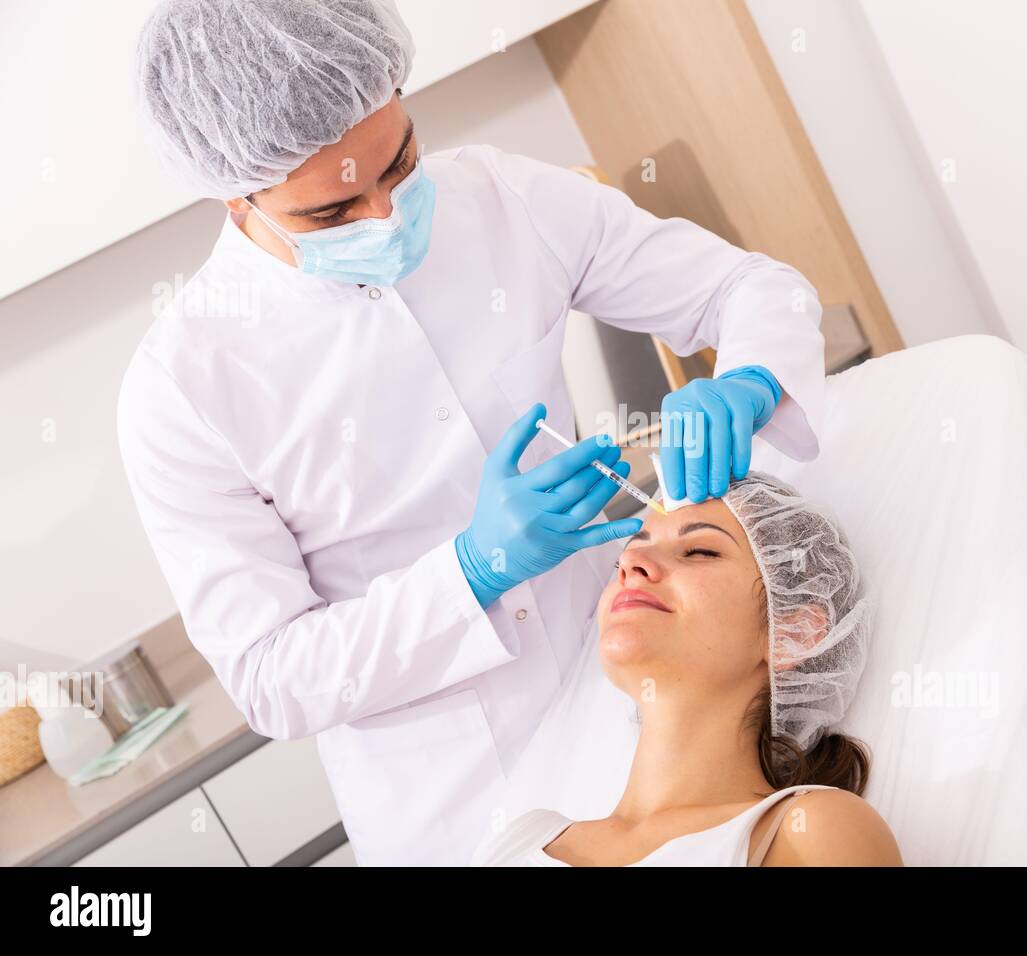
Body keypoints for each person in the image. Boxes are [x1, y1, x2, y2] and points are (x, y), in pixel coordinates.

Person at [120, 0, 826, 864]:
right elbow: (273, 680)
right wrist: (472, 570)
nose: (386, 215)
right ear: (238, 197)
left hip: (640, 721)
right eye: (334, 213)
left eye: (401, 163)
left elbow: (747, 289)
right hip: (451, 806)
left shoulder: (500, 197)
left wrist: (750, 376)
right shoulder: (184, 388)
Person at [474, 473, 901, 866]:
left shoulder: (805, 832)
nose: (632, 561)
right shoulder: (519, 840)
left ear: (794, 632)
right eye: (625, 552)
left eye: (699, 550)